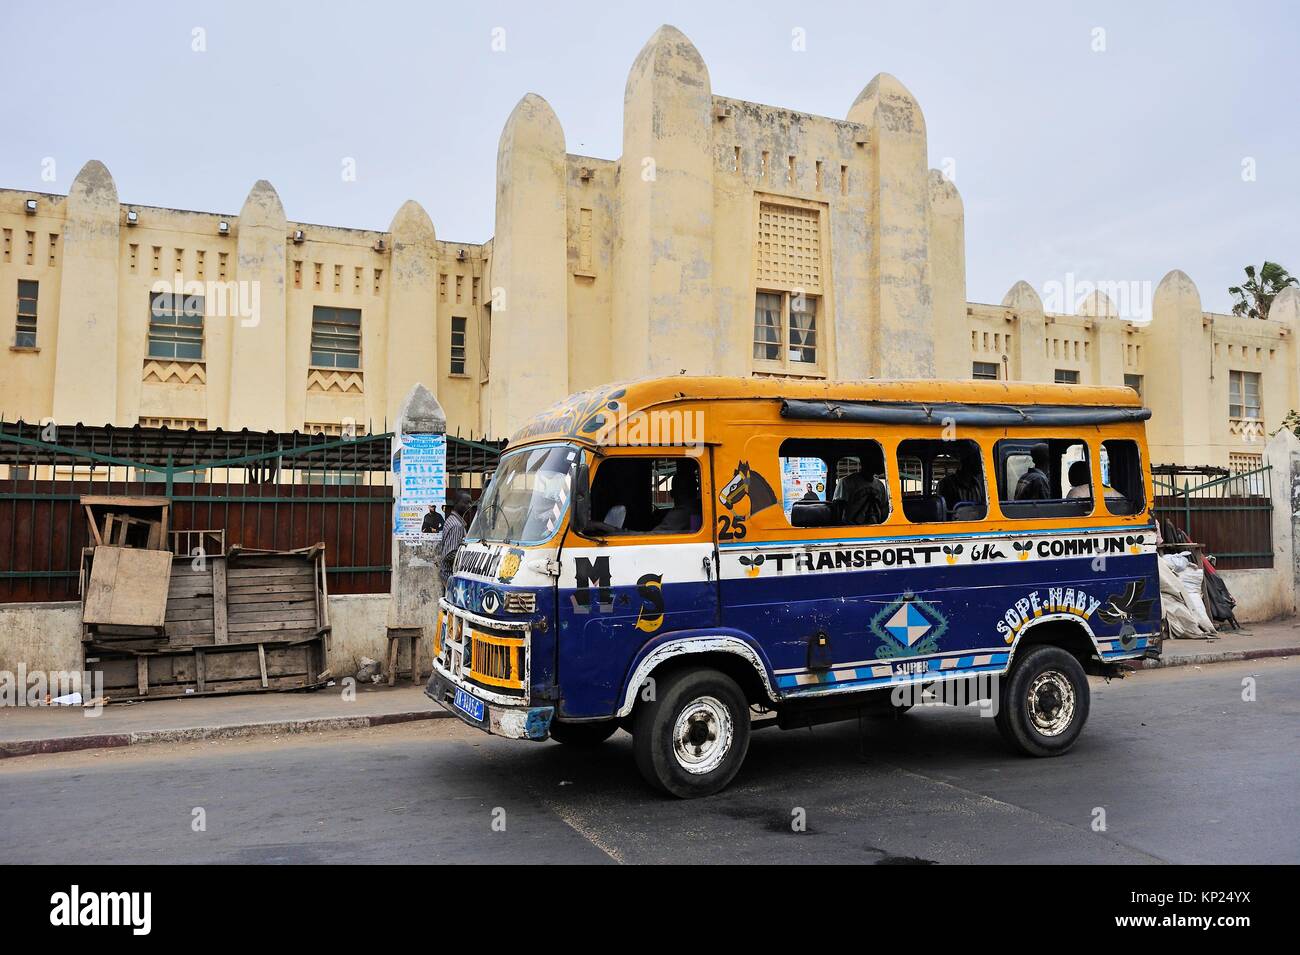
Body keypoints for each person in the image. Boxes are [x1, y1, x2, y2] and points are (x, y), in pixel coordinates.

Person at [437, 492, 472, 587]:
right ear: (456, 503)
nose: (469, 506)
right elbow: (449, 554)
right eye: (466, 503)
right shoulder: (457, 525)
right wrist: (469, 558)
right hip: (451, 577)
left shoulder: (452, 520)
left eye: (470, 503)